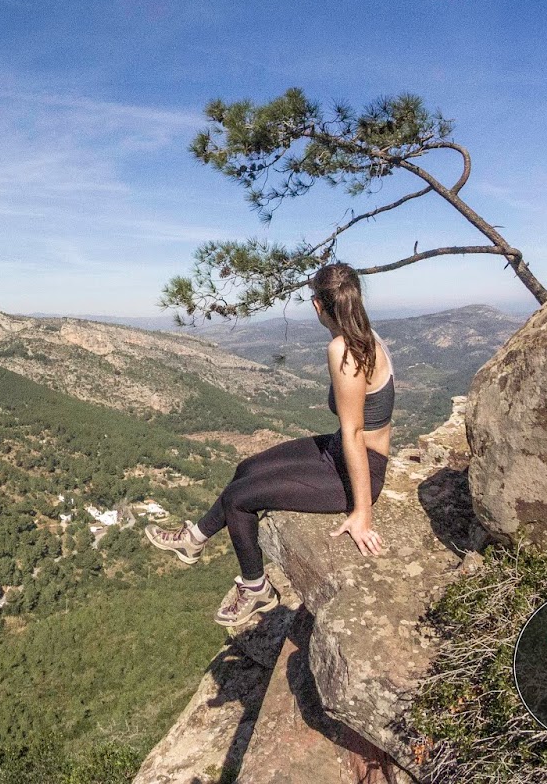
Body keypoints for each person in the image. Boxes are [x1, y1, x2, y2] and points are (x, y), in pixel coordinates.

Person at [144, 262, 394, 626]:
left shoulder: (344, 349)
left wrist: (362, 513)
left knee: (238, 498)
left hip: (361, 467)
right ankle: (194, 538)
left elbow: (355, 432)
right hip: (339, 451)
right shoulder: (366, 336)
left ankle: (256, 587)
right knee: (246, 468)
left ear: (317, 305)